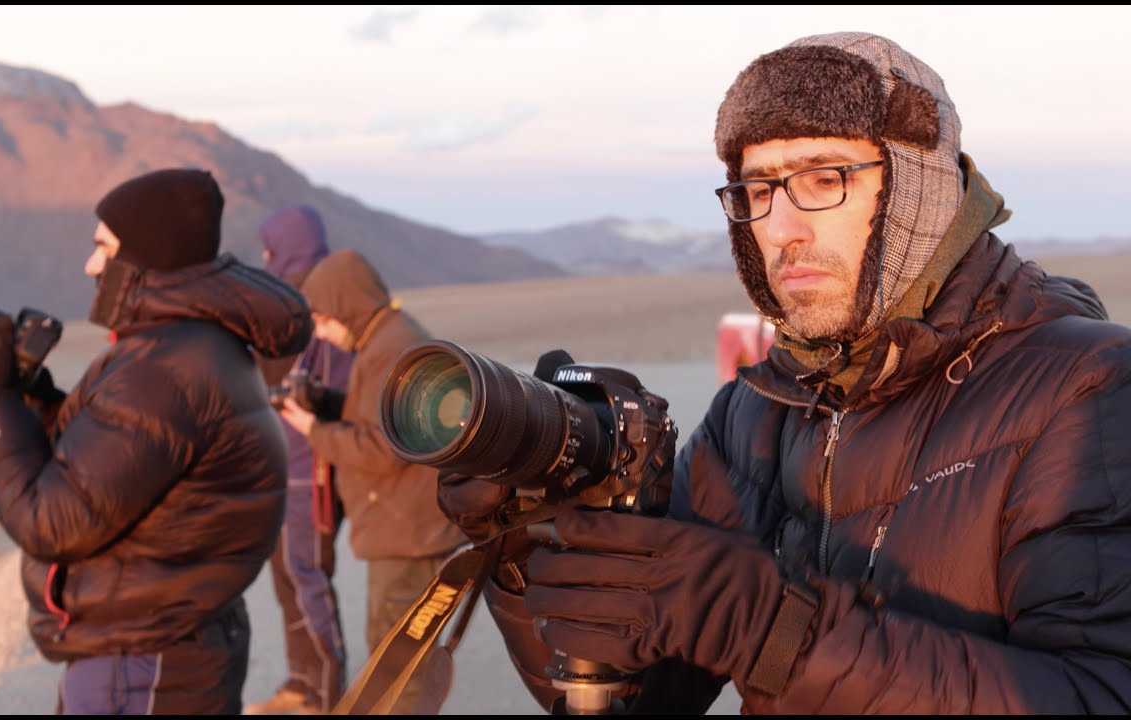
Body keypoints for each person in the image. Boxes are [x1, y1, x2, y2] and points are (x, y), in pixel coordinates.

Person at [437, 31, 1131, 714]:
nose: (780, 228)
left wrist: (771, 631)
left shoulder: (1083, 388)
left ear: (918, 194)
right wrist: (531, 544)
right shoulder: (756, 412)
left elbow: (1101, 695)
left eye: (824, 178)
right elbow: (637, 696)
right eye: (761, 187)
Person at [0, 167, 313, 714]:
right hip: (167, 645)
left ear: (141, 257)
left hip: (144, 661)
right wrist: (28, 396)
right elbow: (110, 470)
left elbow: (51, 520)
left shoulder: (161, 371)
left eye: (103, 247)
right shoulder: (189, 347)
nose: (90, 265)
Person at [278, 248, 466, 715]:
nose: (320, 332)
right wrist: (328, 402)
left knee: (399, 666)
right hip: (408, 529)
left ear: (346, 306)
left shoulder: (390, 350)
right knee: (402, 661)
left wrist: (314, 431)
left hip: (405, 538)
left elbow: (385, 448)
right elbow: (383, 416)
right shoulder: (388, 340)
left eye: (323, 320)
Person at [245, 205, 354, 716]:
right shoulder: (279, 302)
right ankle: (302, 683)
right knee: (287, 579)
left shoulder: (327, 303)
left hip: (311, 471)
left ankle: (330, 695)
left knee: (307, 578)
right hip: (275, 466)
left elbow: (336, 388)